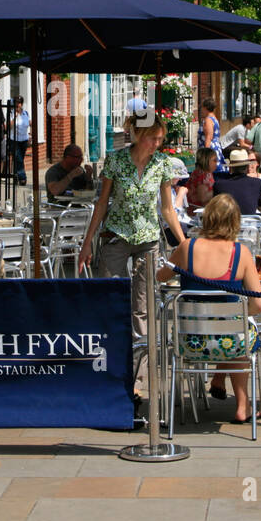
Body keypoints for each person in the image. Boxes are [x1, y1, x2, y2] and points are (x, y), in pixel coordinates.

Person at [80, 114, 185, 405]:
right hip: (117, 235)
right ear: (138, 134)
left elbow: (167, 209)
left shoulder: (162, 164)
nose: (157, 144)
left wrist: (184, 242)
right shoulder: (116, 161)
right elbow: (102, 203)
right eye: (153, 137)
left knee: (143, 308)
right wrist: (87, 242)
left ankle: (136, 381)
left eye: (161, 139)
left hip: (148, 239)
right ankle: (104, 368)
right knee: (108, 298)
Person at [157, 194, 261, 424]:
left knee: (229, 329)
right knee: (239, 331)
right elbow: (258, 304)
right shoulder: (242, 253)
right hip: (231, 342)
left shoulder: (187, 247)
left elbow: (160, 276)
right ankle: (242, 406)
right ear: (235, 222)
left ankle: (218, 378)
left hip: (189, 341)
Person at [212, 148, 261, 215]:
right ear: (247, 166)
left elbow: (215, 209)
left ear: (230, 167)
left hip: (228, 224)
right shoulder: (258, 183)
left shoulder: (219, 185)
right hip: (250, 224)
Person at [182, 147, 217, 211]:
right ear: (206, 160)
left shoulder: (201, 173)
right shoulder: (203, 176)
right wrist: (218, 191)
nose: (216, 163)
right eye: (214, 160)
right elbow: (203, 198)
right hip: (198, 210)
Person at [197, 98, 227, 174]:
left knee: (209, 172)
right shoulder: (214, 118)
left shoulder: (208, 120)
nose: (201, 110)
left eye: (202, 107)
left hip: (210, 149)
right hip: (215, 148)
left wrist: (205, 155)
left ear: (206, 108)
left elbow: (208, 137)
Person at [9, 95, 31, 185]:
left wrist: (31, 136)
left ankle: (15, 176)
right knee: (19, 159)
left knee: (19, 159)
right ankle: (22, 177)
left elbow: (30, 124)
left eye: (19, 103)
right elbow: (9, 126)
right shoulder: (11, 113)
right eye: (16, 103)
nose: (17, 105)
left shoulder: (26, 113)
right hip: (14, 140)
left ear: (21, 104)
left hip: (24, 140)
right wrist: (15, 116)